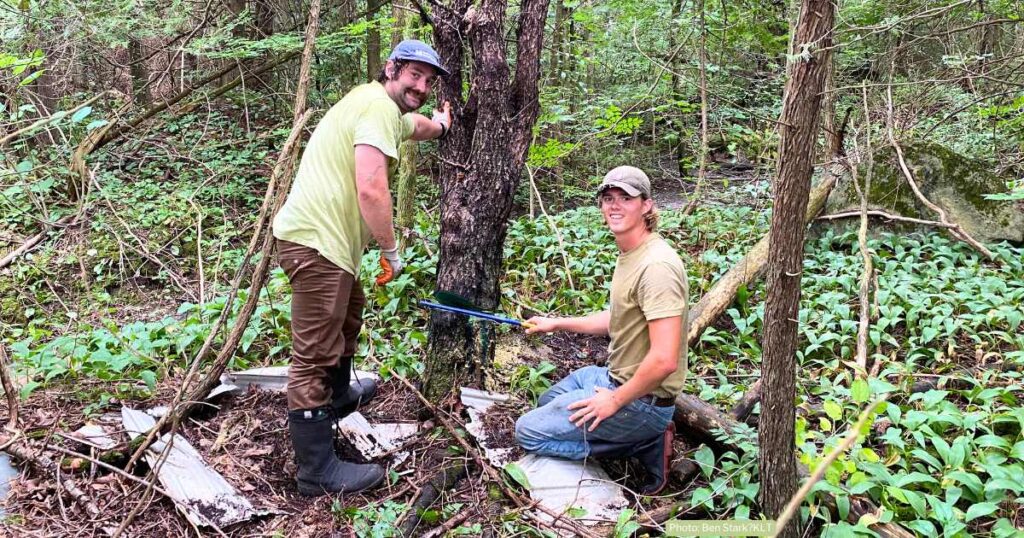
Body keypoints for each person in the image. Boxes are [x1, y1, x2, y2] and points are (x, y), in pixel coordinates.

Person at [272, 39, 453, 496]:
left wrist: (440, 126)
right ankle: (316, 471)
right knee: (312, 355)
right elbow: (372, 188)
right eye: (414, 75)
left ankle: (338, 396)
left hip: (328, 247)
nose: (422, 86)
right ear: (391, 68)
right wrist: (391, 251)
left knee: (351, 311)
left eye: (429, 81)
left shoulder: (376, 106)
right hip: (316, 245)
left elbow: (410, 125)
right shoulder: (375, 108)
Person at [514, 166, 688, 495]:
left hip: (641, 401)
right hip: (612, 377)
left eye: (626, 198)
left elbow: (665, 359)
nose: (615, 205)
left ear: (647, 205)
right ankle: (629, 431)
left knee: (528, 432)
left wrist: (615, 402)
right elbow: (616, 318)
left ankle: (642, 443)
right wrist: (556, 323)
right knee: (546, 400)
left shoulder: (657, 267)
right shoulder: (633, 253)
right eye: (609, 198)